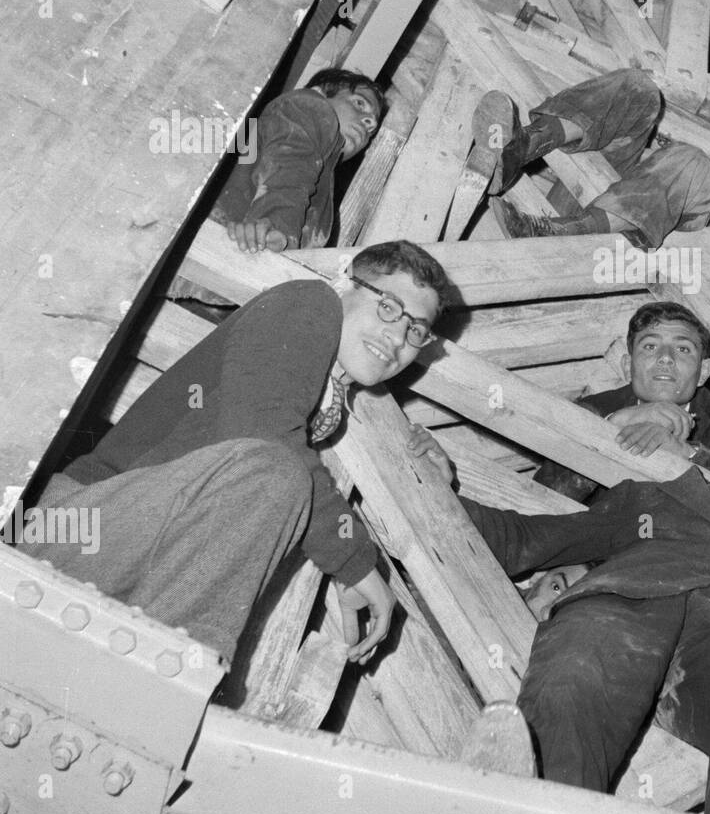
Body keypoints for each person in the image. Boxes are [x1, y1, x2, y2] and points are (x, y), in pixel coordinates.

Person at [21, 241, 447, 665]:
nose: (397, 336)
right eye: (388, 307)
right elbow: (262, 435)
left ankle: (152, 676)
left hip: (123, 554)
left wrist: (440, 482)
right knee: (276, 474)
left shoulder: (318, 392)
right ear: (345, 284)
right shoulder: (309, 302)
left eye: (416, 330)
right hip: (70, 526)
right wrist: (353, 558)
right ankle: (170, 675)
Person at [460, 372, 710, 814]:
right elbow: (529, 539)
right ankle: (540, 809)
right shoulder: (656, 500)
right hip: (626, 614)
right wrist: (440, 488)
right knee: (586, 652)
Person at [471, 72, 710, 247]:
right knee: (638, 89)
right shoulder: (686, 165)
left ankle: (567, 232)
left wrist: (682, 159)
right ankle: (521, 147)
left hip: (637, 253)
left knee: (690, 164)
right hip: (597, 203)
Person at [533, 300, 710, 504]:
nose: (665, 358)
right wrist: (611, 428)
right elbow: (542, 501)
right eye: (650, 346)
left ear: (704, 372)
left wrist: (687, 455)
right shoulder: (592, 411)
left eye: (682, 349)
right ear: (628, 367)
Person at [216, 67, 386, 253]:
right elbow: (289, 165)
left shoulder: (322, 175)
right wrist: (275, 225)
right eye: (359, 104)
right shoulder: (311, 105)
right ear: (322, 91)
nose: (369, 122)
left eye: (372, 128)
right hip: (228, 241)